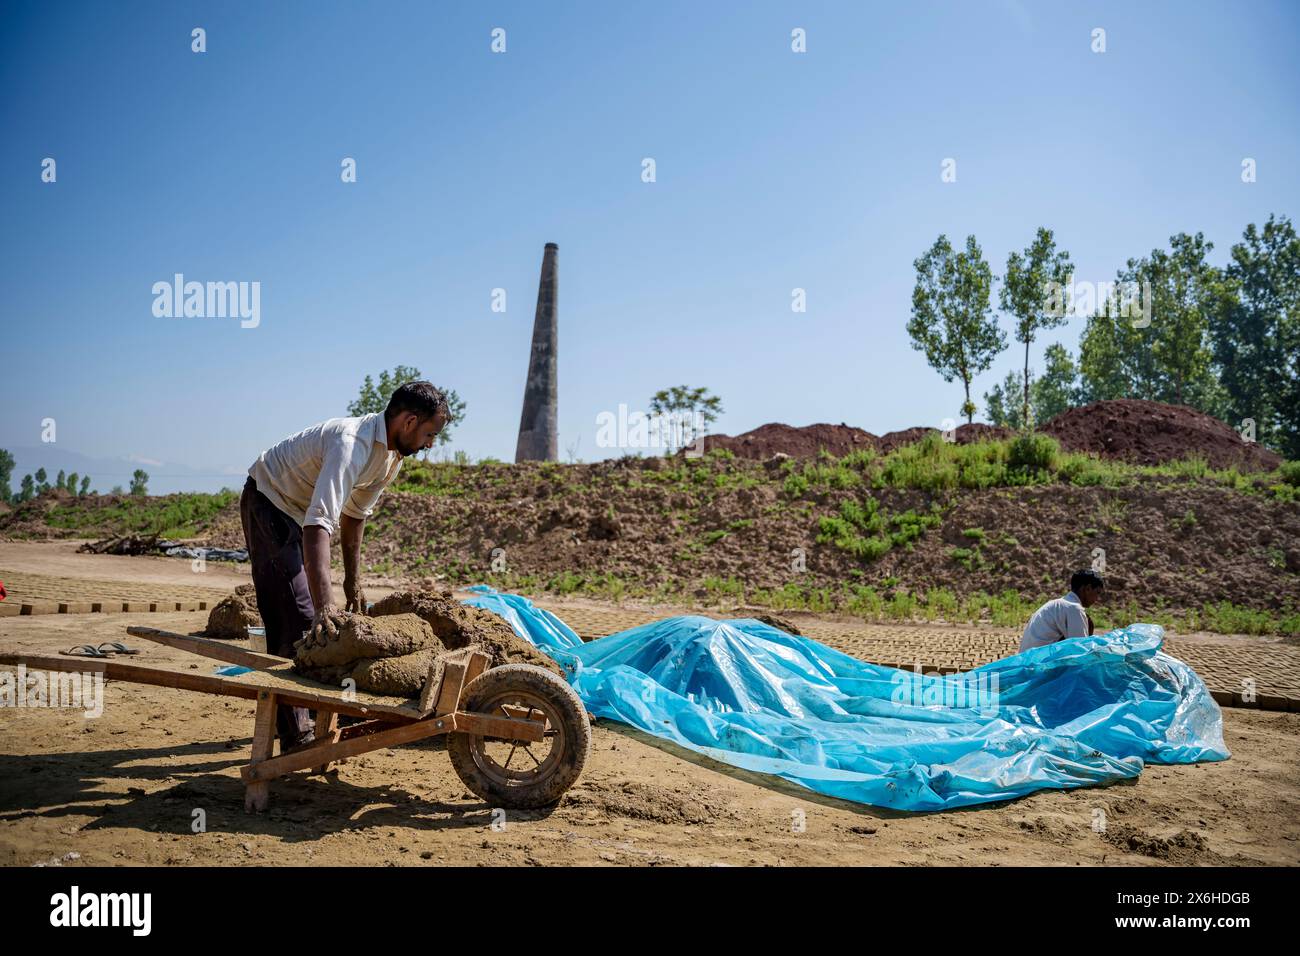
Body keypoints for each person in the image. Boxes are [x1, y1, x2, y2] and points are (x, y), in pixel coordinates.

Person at [240, 381, 450, 749]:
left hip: (302, 513)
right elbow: (319, 523)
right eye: (429, 434)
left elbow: (354, 516)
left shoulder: (391, 458)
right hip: (270, 498)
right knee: (299, 614)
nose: (430, 444)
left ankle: (311, 713)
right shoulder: (350, 443)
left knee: (316, 617)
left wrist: (352, 582)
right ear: (409, 421)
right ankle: (295, 734)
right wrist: (326, 603)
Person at [1018, 569, 1105, 652]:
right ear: (1088, 589)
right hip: (1038, 663)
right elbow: (1081, 650)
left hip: (1027, 659)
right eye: (1097, 593)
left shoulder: (1059, 604)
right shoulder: (1074, 608)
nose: (1097, 598)